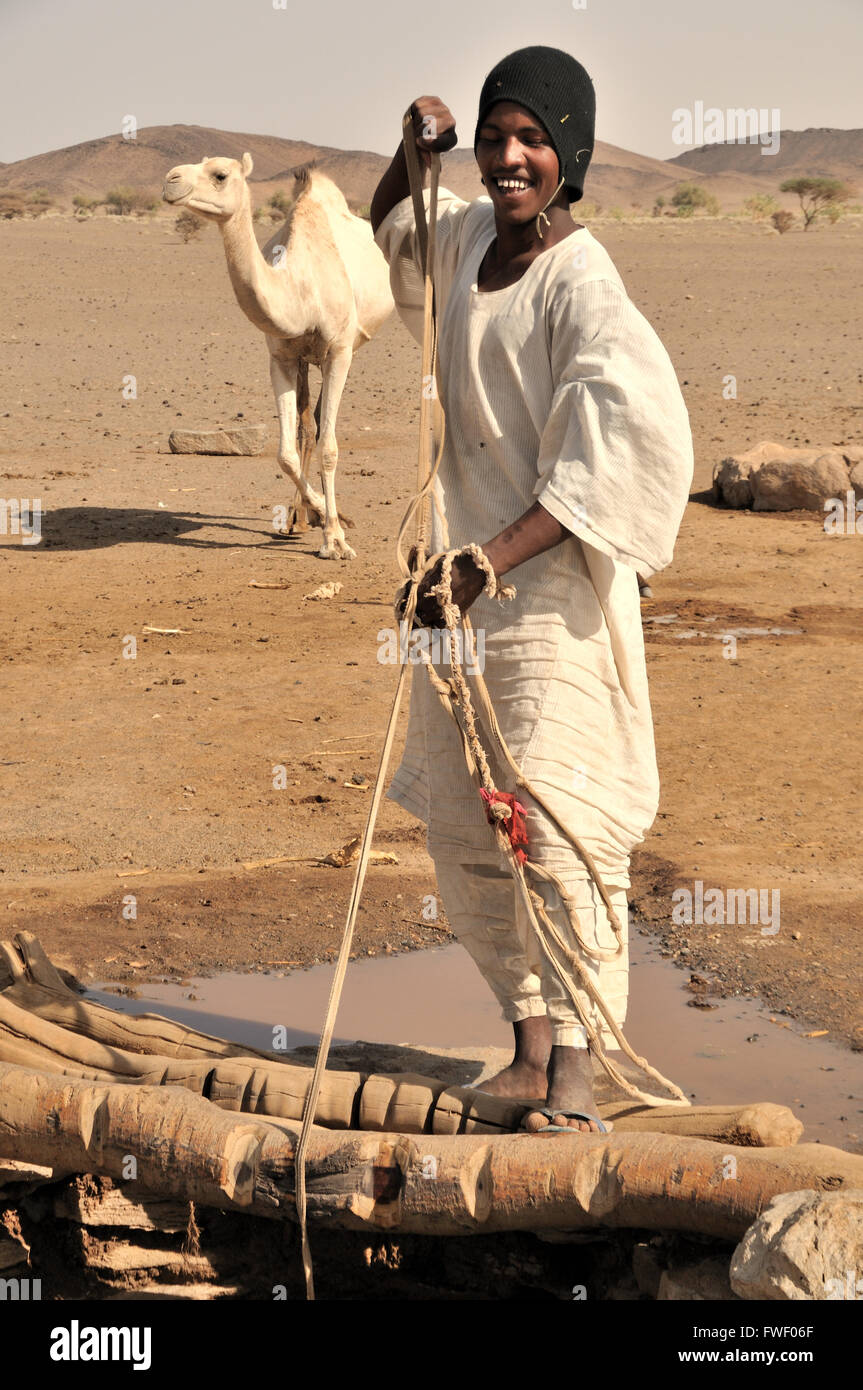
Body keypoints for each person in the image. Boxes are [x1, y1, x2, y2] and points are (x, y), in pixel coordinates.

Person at [370, 46, 693, 1132]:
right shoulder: (466, 237)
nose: (508, 158)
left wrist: (483, 564)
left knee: (555, 837)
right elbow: (397, 230)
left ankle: (577, 1076)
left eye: (532, 141)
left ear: (570, 157)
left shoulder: (582, 286)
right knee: (469, 830)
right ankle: (523, 1049)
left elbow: (610, 460)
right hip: (461, 603)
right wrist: (407, 153)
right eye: (495, 136)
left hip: (547, 604)